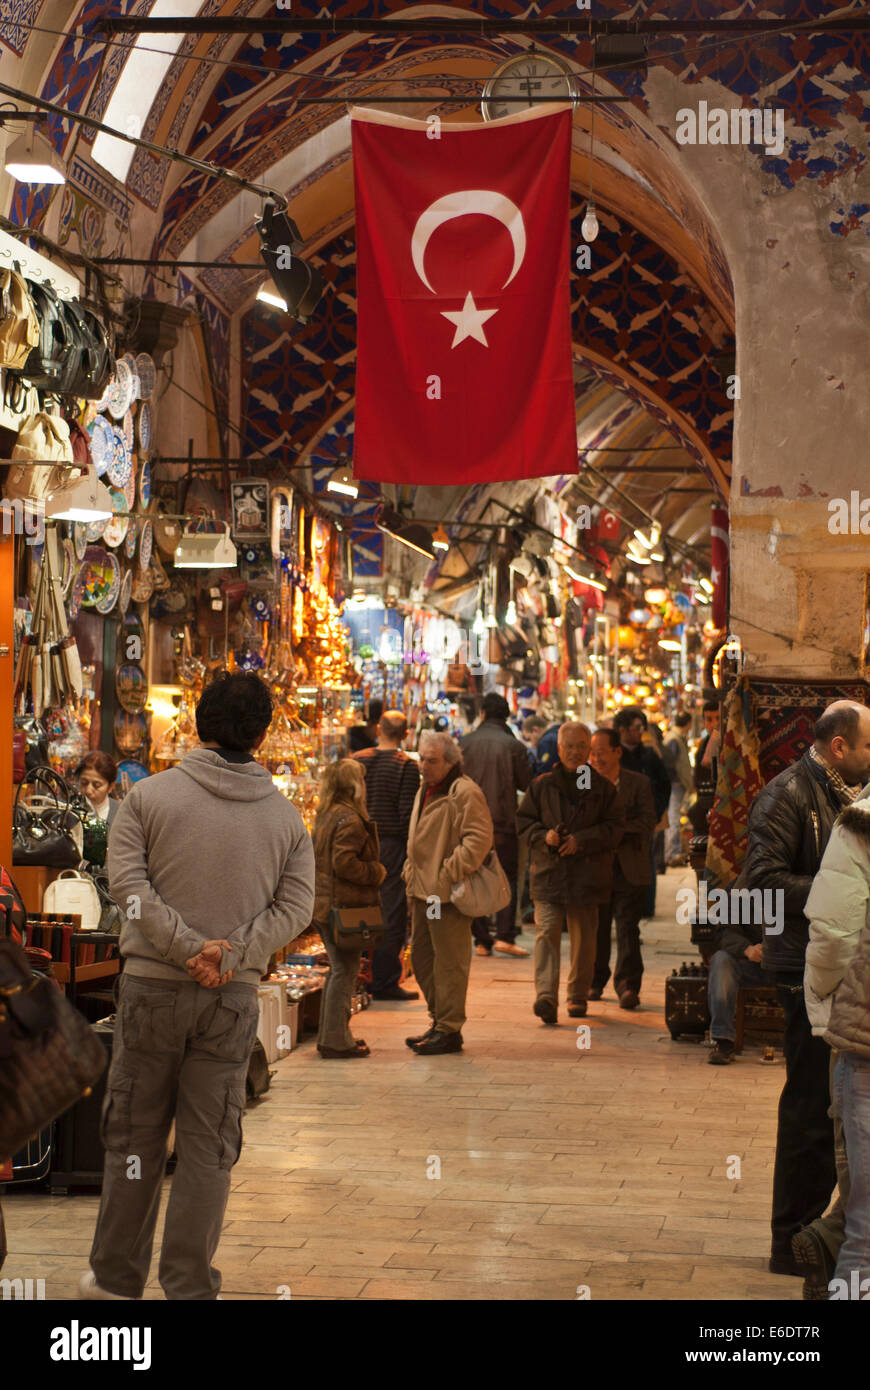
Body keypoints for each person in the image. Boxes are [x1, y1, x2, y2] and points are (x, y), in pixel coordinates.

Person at [82, 672, 315, 1301]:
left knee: (134, 1139)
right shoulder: (285, 818)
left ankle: (114, 1282)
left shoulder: (147, 800)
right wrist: (232, 952)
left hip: (151, 992)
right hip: (230, 999)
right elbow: (296, 908)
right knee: (210, 1147)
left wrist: (185, 949)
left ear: (197, 722)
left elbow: (128, 890)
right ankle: (188, 1286)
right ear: (263, 734)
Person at [743, 699, 870, 1279]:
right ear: (840, 746)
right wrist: (838, 886)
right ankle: (790, 1239)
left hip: (841, 970)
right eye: (869, 744)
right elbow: (760, 883)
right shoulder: (788, 793)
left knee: (833, 1115)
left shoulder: (847, 793)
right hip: (804, 970)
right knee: (808, 1111)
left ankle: (818, 1236)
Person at [799, 782, 870, 1295]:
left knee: (866, 1221)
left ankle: (831, 1247)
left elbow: (834, 932)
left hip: (865, 1041)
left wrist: (826, 1003)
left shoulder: (860, 822)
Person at [517, 722, 625, 1024]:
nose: (575, 752)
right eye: (570, 746)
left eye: (581, 746)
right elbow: (524, 824)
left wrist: (582, 841)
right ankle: (546, 997)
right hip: (548, 874)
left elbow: (615, 828)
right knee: (546, 933)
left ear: (588, 750)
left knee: (584, 939)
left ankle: (577, 996)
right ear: (559, 749)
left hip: (587, 875)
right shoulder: (541, 786)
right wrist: (544, 837)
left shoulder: (602, 789)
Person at [402, 731, 493, 1055]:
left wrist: (449, 873)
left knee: (449, 961)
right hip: (423, 893)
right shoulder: (426, 788)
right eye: (422, 758)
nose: (424, 765)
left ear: (451, 762)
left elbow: (479, 840)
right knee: (424, 958)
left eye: (432, 760)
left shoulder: (464, 791)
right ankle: (439, 1019)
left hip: (444, 896)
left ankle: (449, 1028)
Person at [312, 758, 386, 1057]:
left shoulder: (327, 814)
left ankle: (333, 1035)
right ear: (354, 785)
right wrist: (376, 872)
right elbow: (344, 863)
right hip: (342, 907)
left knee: (340, 970)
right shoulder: (351, 819)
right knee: (345, 971)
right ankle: (335, 1040)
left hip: (323, 904)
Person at [354, 711, 421, 1001]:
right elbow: (408, 814)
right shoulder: (406, 766)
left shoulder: (358, 759)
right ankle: (384, 980)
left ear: (378, 729)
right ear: (405, 734)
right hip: (391, 845)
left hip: (359, 841)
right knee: (390, 909)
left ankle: (359, 975)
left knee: (358, 905)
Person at [460, 692, 533, 958]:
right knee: (506, 878)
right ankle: (504, 935)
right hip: (502, 821)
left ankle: (481, 940)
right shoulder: (514, 746)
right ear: (506, 716)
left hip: (469, 822)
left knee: (474, 877)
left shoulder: (465, 743)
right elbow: (527, 784)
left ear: (483, 714)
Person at [588, 728, 656, 1009]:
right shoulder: (585, 784)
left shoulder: (637, 782)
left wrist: (613, 832)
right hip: (596, 867)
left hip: (630, 865)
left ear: (617, 752)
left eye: (601, 752)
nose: (596, 758)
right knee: (597, 927)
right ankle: (594, 980)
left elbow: (647, 821)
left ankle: (627, 985)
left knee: (627, 927)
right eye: (592, 753)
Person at [613, 706, 670, 916]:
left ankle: (646, 907)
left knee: (645, 862)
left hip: (643, 823)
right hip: (615, 823)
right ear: (622, 729)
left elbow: (664, 784)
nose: (640, 732)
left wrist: (655, 812)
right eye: (636, 727)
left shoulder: (648, 756)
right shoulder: (611, 755)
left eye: (641, 727)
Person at [705, 904, 776, 1066]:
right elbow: (725, 932)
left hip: (787, 964)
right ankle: (723, 1040)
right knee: (721, 960)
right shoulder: (736, 891)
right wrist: (747, 949)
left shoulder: (795, 886)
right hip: (750, 965)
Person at [663, 712, 693, 864]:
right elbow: (670, 763)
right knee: (673, 819)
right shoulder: (674, 739)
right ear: (688, 724)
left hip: (677, 784)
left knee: (673, 818)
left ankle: (672, 853)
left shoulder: (676, 738)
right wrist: (676, 781)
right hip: (675, 785)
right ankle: (672, 854)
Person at [689, 700, 721, 835]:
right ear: (703, 721)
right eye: (709, 720)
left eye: (718, 719)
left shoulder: (722, 742)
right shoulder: (704, 744)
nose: (714, 724)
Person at [76, 751, 120, 829]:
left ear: (110, 787)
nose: (88, 791)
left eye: (96, 785)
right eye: (84, 783)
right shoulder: (69, 811)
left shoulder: (120, 814)